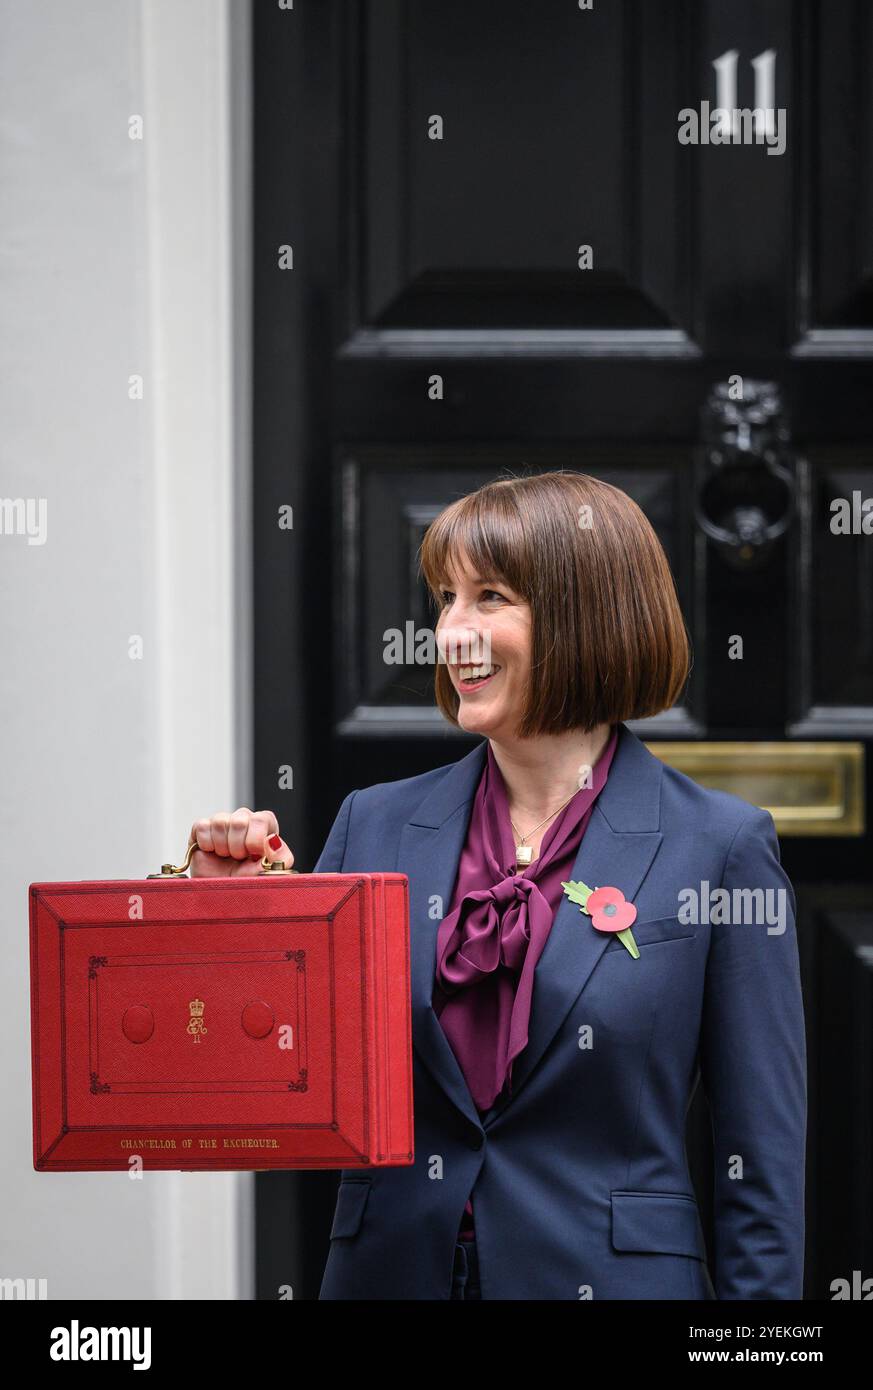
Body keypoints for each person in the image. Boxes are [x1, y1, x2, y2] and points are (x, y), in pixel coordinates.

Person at [190, 471, 806, 1300]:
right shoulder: (372, 826)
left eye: (490, 598)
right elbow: (257, 1087)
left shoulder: (720, 848)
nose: (451, 632)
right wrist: (226, 919)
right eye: (446, 598)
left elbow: (759, 1166)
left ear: (590, 614)